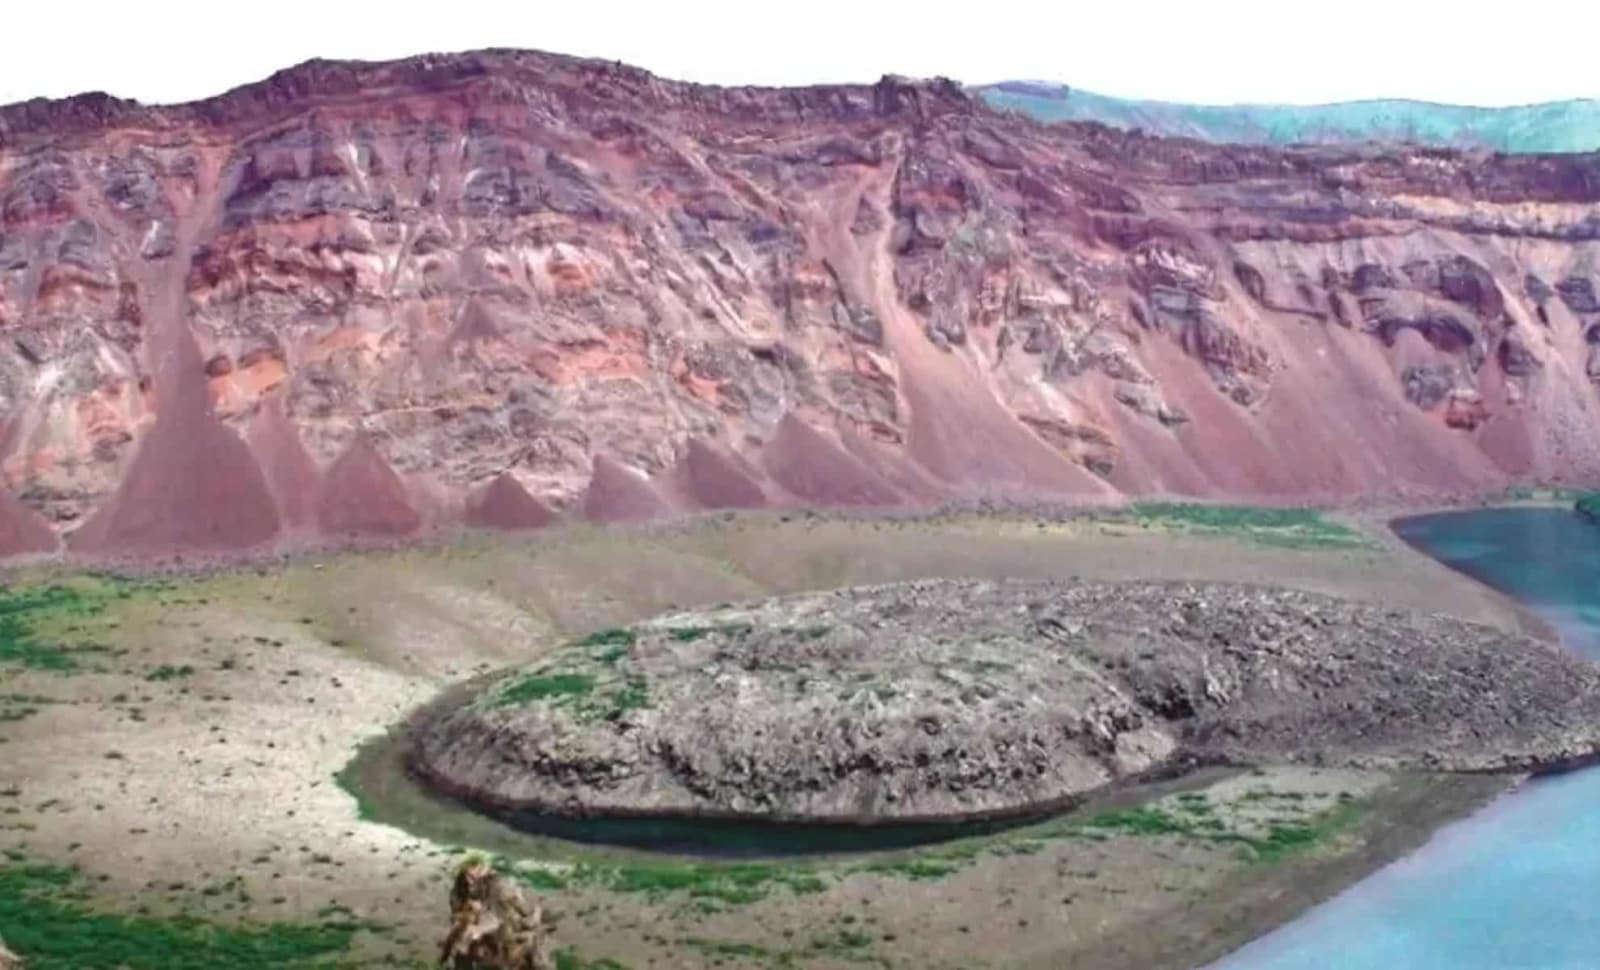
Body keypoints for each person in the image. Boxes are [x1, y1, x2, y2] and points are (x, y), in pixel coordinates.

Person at [440, 855, 553, 970]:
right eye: (469, 875)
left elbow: (517, 913)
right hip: (477, 932)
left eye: (478, 870)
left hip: (505, 931)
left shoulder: (500, 887)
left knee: (530, 947)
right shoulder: (460, 889)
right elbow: (457, 914)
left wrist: (531, 917)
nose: (471, 881)